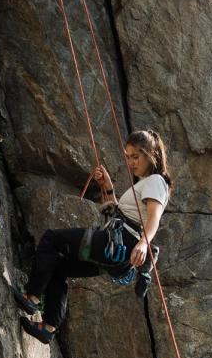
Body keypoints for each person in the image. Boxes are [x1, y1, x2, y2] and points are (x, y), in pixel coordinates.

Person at [13, 129, 171, 344]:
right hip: (113, 255)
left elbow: (154, 217)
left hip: (115, 243)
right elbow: (114, 214)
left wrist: (144, 243)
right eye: (128, 157)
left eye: (136, 156)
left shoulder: (155, 181)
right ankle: (48, 327)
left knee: (51, 239)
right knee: (59, 267)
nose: (131, 162)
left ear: (151, 154)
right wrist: (106, 186)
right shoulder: (143, 184)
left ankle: (31, 296)